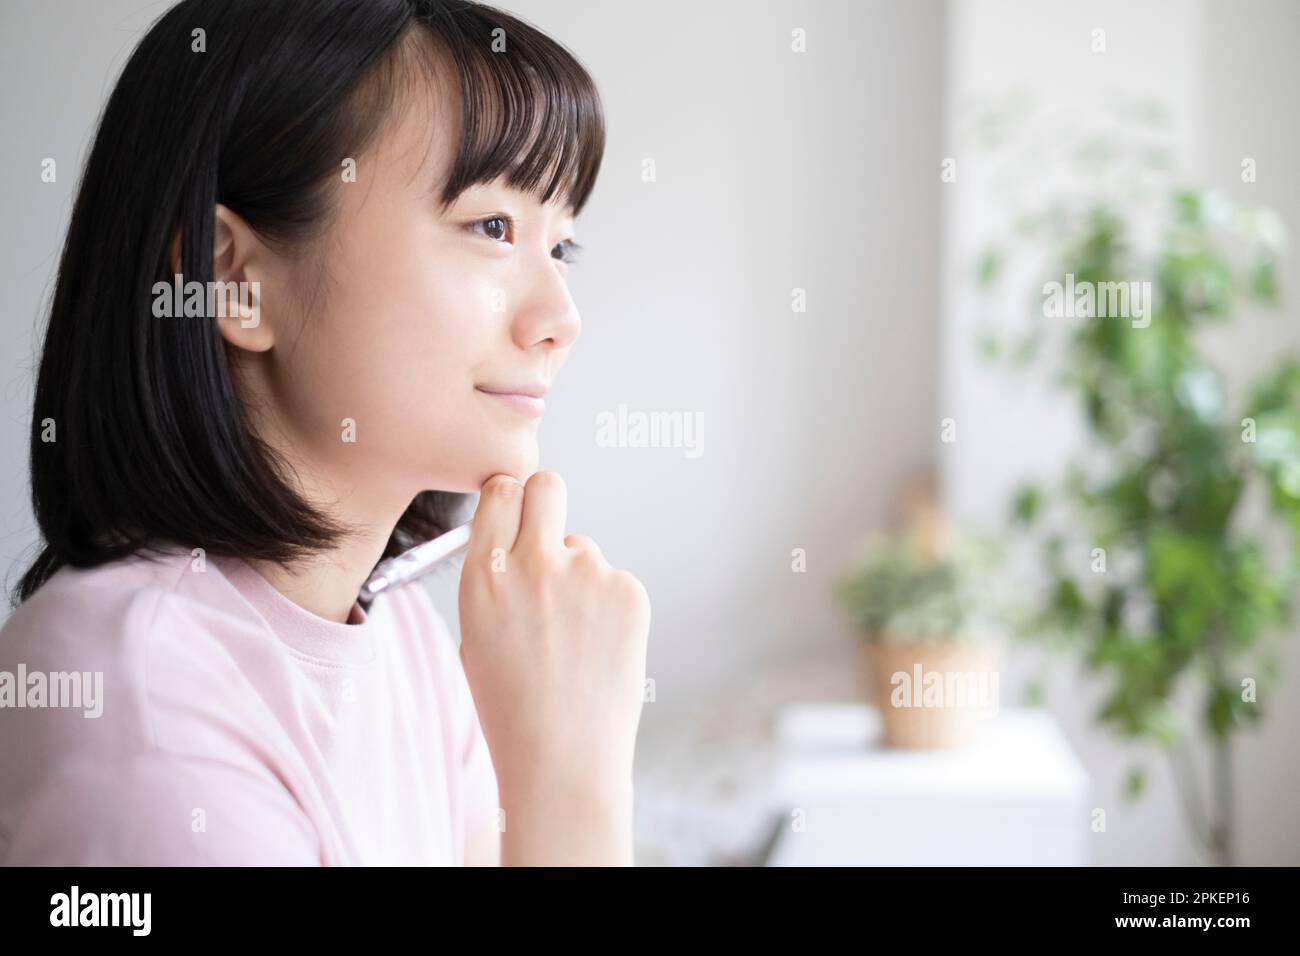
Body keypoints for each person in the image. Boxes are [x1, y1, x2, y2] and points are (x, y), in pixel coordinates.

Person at [0, 0, 650, 866]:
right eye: (492, 227)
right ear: (230, 277)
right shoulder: (136, 696)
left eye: (560, 247)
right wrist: (570, 781)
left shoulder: (404, 639)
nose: (560, 319)